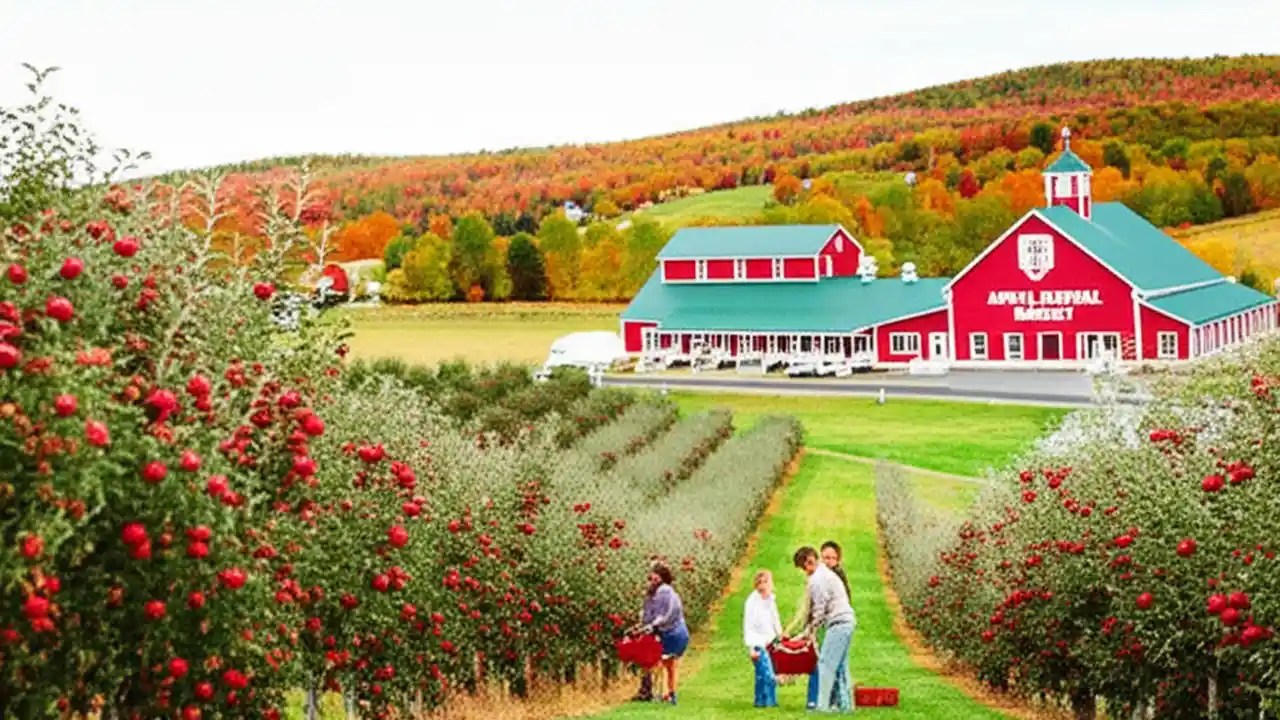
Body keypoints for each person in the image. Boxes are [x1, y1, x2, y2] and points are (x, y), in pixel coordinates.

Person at [794, 545, 855, 713]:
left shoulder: (817, 579)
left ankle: (823, 706)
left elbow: (819, 610)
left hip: (838, 622)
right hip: (847, 621)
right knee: (840, 665)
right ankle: (845, 706)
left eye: (803, 567)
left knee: (826, 663)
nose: (804, 572)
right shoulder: (826, 574)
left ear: (809, 562)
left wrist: (808, 631)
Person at [634, 561, 689, 705]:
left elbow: (663, 614)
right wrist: (645, 625)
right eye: (651, 579)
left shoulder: (664, 591)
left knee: (665, 663)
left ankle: (664, 693)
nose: (652, 582)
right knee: (668, 664)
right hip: (674, 631)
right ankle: (669, 694)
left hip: (671, 632)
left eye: (655, 579)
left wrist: (651, 625)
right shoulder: (661, 592)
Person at [743, 569, 784, 708]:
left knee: (763, 674)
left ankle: (761, 702)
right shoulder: (752, 601)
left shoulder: (771, 599)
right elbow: (749, 625)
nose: (763, 585)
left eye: (765, 582)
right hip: (758, 643)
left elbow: (775, 618)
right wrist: (751, 647)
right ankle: (768, 702)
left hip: (770, 641)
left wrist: (780, 634)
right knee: (767, 673)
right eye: (760, 582)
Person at [820, 541, 853, 708]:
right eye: (825, 557)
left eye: (832, 558)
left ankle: (842, 703)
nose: (828, 561)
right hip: (834, 623)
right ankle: (837, 701)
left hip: (839, 623)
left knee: (836, 663)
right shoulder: (825, 576)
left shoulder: (836, 576)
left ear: (837, 560)